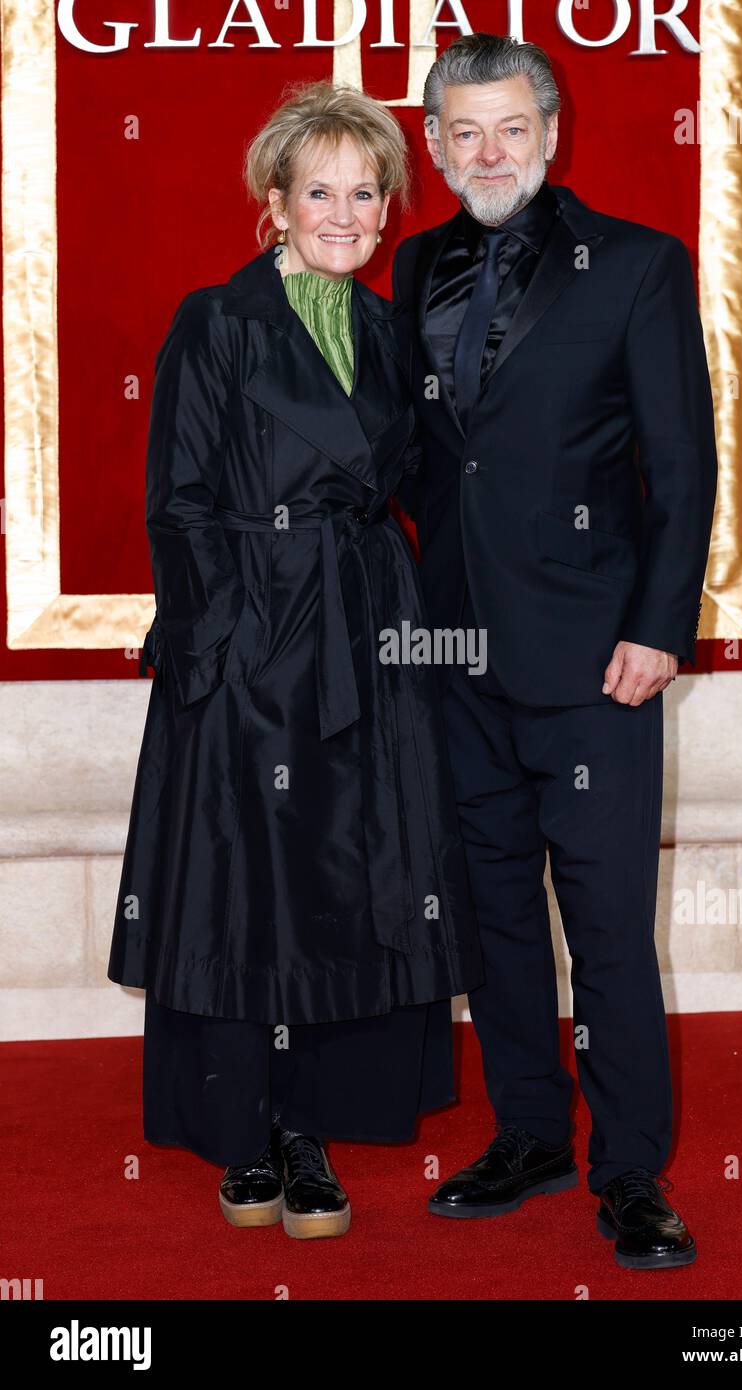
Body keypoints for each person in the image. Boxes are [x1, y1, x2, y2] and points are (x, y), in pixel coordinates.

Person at [108, 80, 483, 1240]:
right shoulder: (216, 321)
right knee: (247, 887)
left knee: (345, 880)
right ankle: (247, 1134)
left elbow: (425, 483)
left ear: (387, 211)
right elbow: (177, 499)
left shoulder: (386, 330)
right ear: (276, 203)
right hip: (248, 639)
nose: (343, 210)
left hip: (367, 633)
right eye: (318, 189)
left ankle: (314, 1129)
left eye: (364, 192)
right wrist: (215, 645)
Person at [392, 35, 718, 1269]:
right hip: (456, 648)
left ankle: (631, 1171)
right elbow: (429, 462)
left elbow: (683, 465)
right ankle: (528, 1132)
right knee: (494, 915)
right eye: (463, 133)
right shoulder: (416, 259)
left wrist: (656, 626)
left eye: (511, 130)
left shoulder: (637, 265)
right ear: (432, 144)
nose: (489, 154)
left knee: (610, 925)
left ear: (551, 133)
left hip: (595, 658)